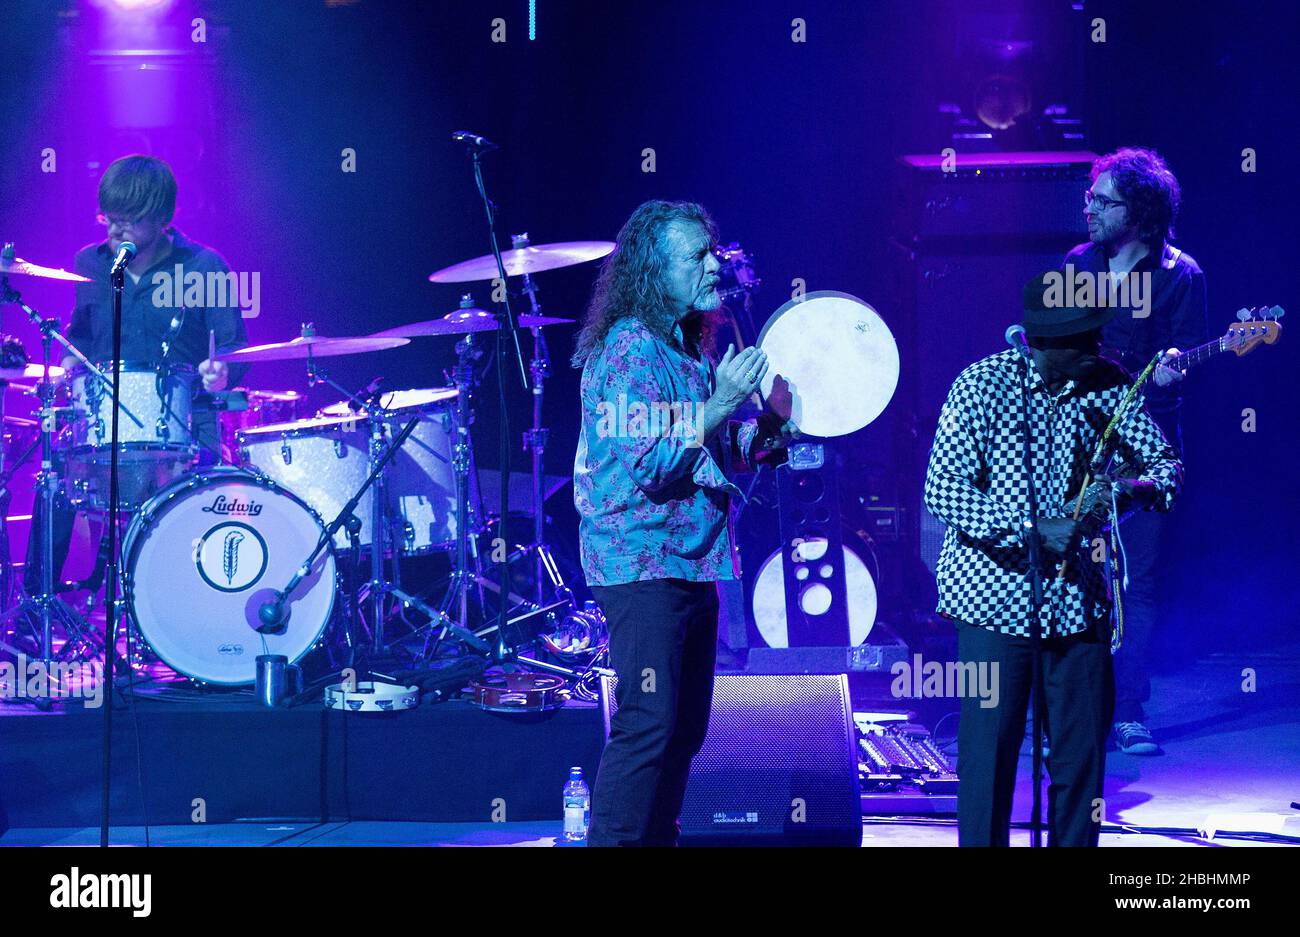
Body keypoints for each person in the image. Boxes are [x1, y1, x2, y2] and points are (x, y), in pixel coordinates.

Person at [924, 272, 1183, 846]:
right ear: (1040, 342)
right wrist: (1032, 529)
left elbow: (1165, 468)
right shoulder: (983, 385)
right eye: (1081, 341)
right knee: (988, 759)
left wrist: (1120, 492)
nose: (1096, 350)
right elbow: (942, 489)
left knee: (1081, 762)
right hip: (991, 601)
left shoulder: (1109, 386)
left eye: (1097, 337)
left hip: (1078, 604)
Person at [571, 199, 795, 846]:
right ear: (651, 267)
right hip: (640, 561)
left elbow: (711, 453)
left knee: (685, 725)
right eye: (694, 255)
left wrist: (770, 424)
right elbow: (653, 462)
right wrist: (723, 399)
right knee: (649, 720)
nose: (711, 265)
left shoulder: (686, 349)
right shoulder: (628, 351)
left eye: (711, 251)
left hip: (693, 559)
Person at [24, 154, 248, 594]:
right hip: (105, 422)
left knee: (196, 504)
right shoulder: (89, 265)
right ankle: (39, 607)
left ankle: (187, 605)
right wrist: (69, 363)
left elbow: (235, 346)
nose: (115, 230)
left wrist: (221, 372)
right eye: (109, 219)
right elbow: (82, 339)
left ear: (164, 217)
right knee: (53, 477)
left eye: (130, 220)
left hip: (186, 424)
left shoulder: (204, 266)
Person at [1064, 147, 1207, 754]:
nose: (1090, 208)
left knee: (1137, 583)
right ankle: (1074, 712)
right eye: (1090, 197)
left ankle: (1128, 712)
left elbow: (1188, 354)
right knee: (1073, 576)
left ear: (1141, 212)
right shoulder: (1077, 263)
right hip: (1077, 446)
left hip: (1145, 450)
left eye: (1104, 200)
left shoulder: (1181, 275)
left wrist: (1178, 369)